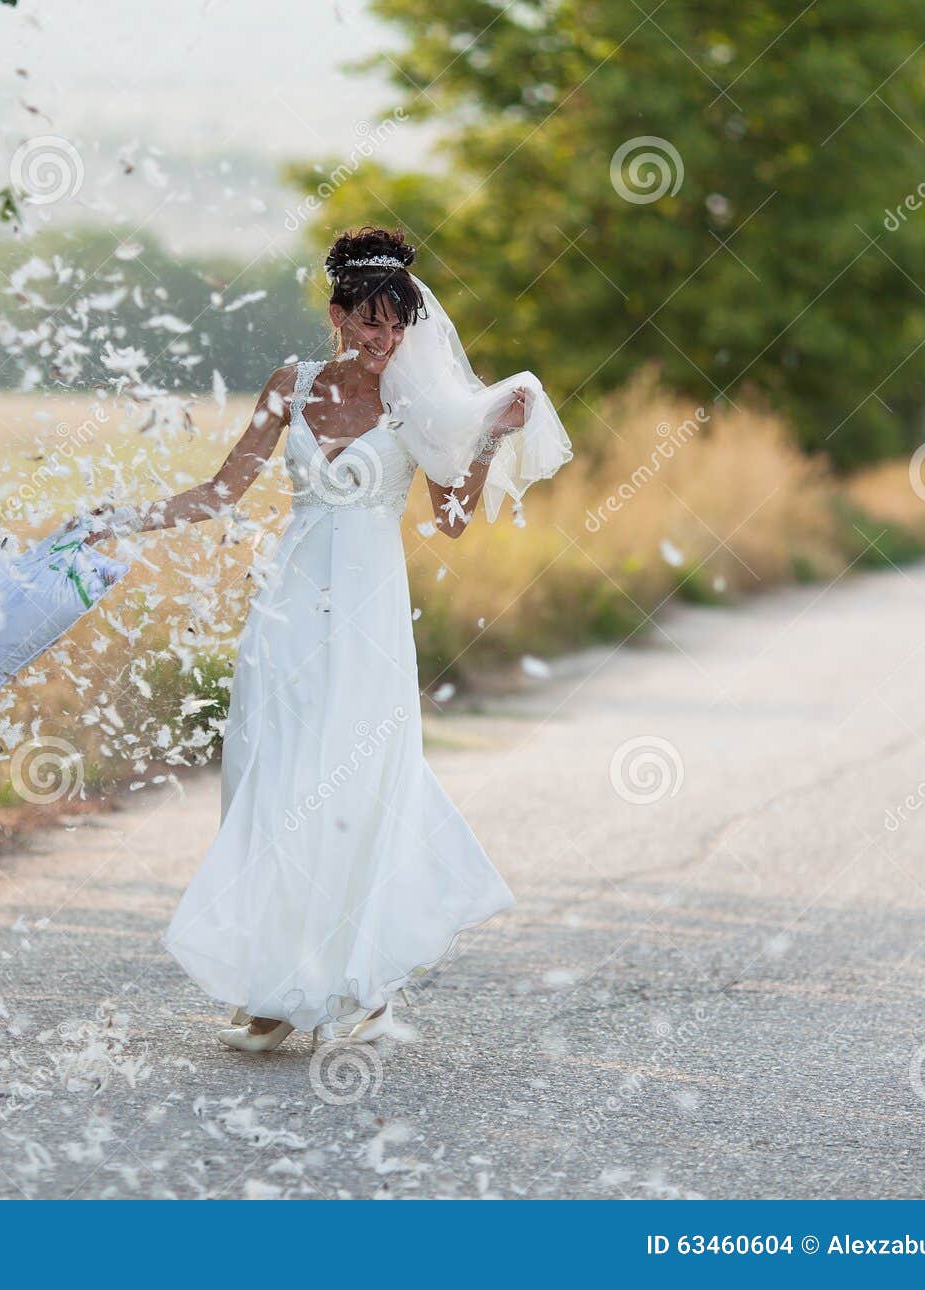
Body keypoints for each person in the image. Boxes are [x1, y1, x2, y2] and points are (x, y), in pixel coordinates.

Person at [91, 227, 571, 1051]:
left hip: (369, 616)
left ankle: (357, 982)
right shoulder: (292, 384)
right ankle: (275, 989)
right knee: (270, 778)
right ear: (338, 314)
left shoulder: (417, 404)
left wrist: (490, 435)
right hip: (287, 608)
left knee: (353, 786)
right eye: (370, 323)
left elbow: (453, 520)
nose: (385, 342)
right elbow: (221, 490)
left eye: (398, 326)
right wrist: (122, 518)